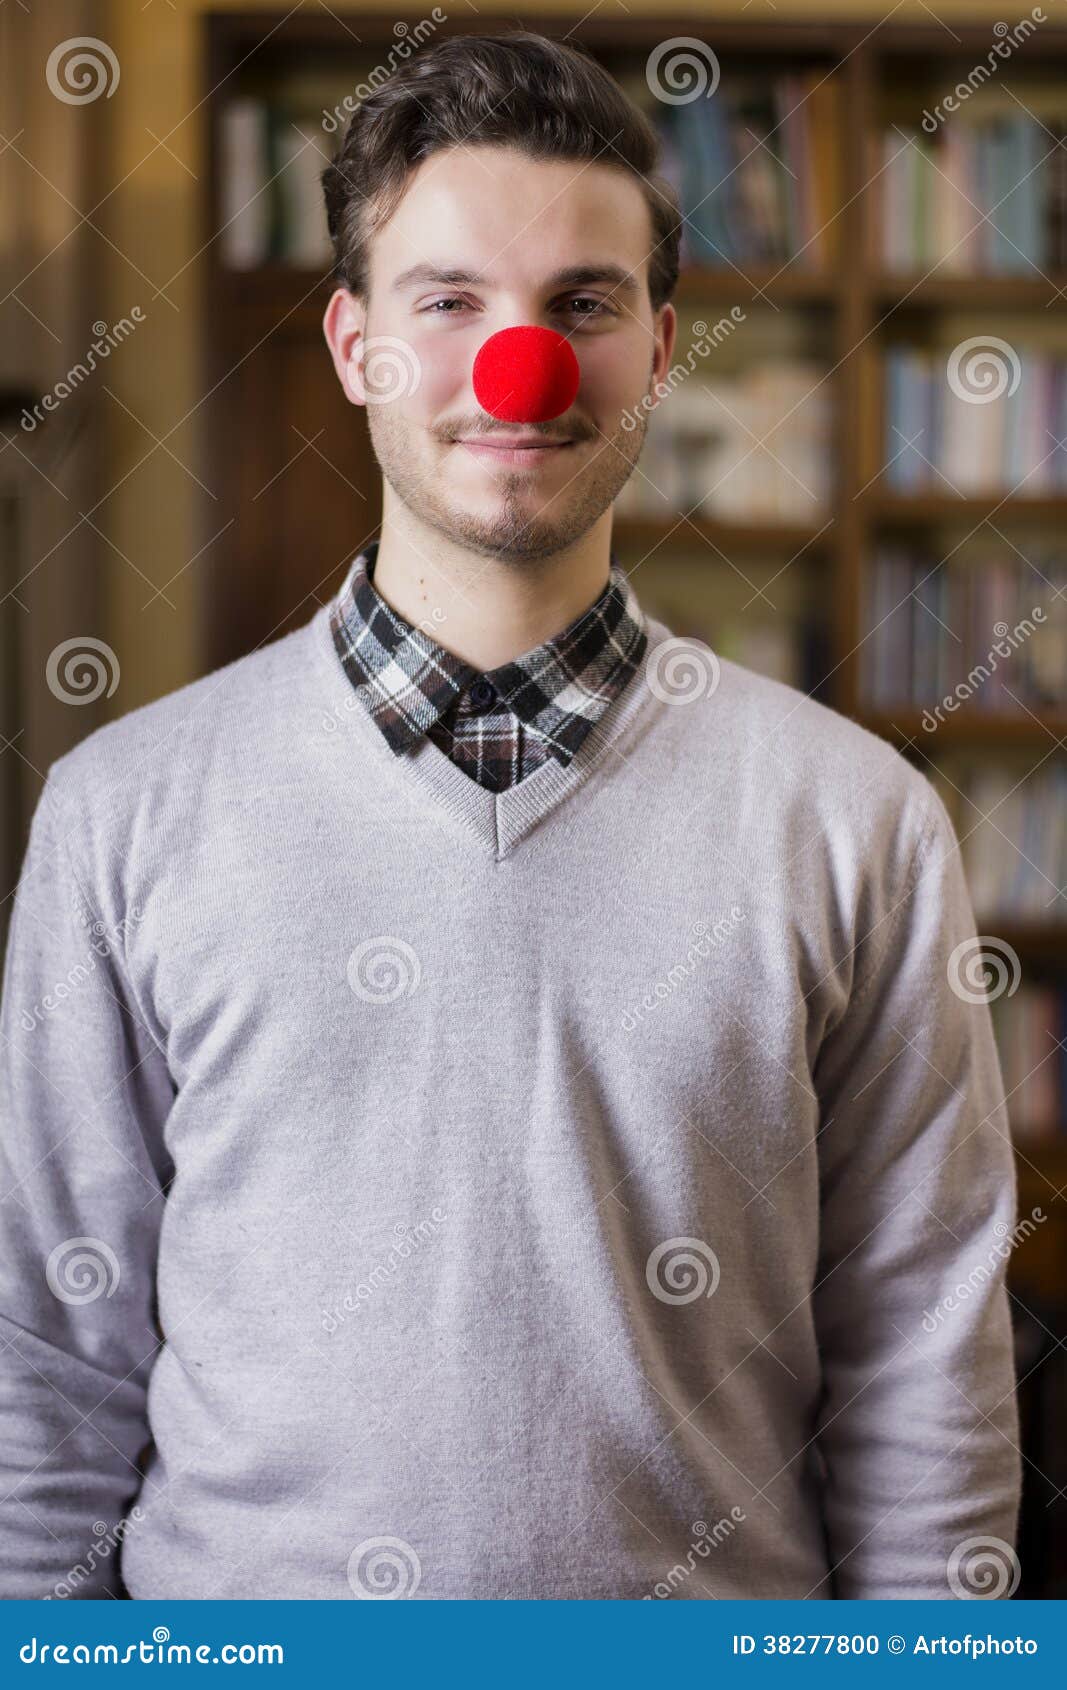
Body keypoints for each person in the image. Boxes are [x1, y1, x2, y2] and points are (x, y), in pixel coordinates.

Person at [0, 30, 1020, 1601]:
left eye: (584, 307)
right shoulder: (120, 814)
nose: (518, 367)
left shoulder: (860, 822)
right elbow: (46, 1367)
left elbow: (922, 1357)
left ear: (663, 352)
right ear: (355, 347)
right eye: (451, 301)